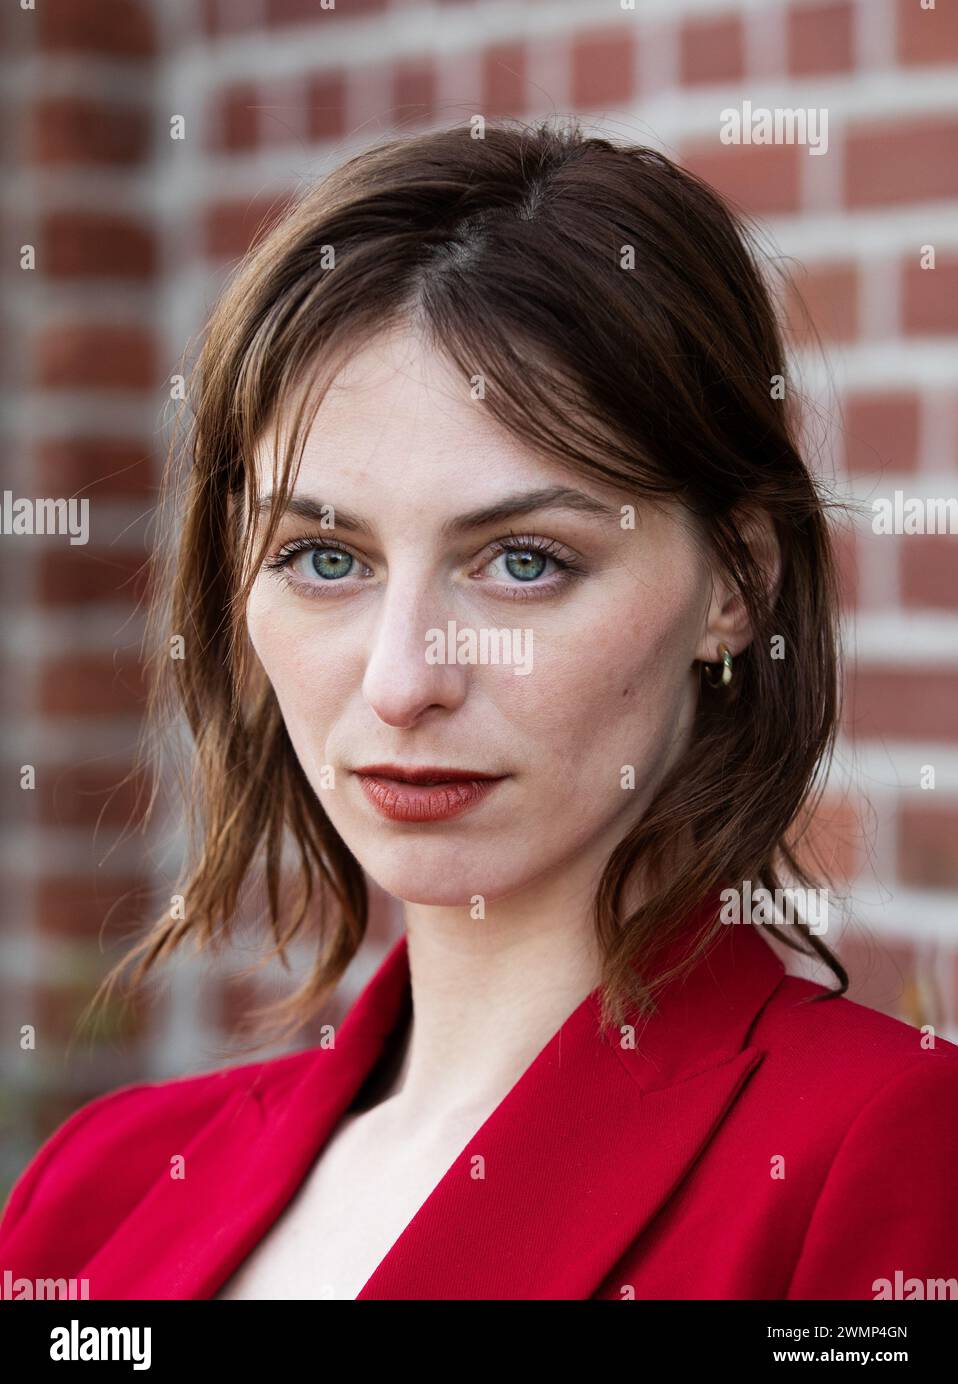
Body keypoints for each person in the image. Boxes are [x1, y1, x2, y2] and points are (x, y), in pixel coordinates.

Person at [1, 117, 956, 1301]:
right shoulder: (101, 1190)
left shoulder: (879, 1155)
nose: (404, 681)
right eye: (325, 558)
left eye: (521, 561)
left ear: (736, 581)